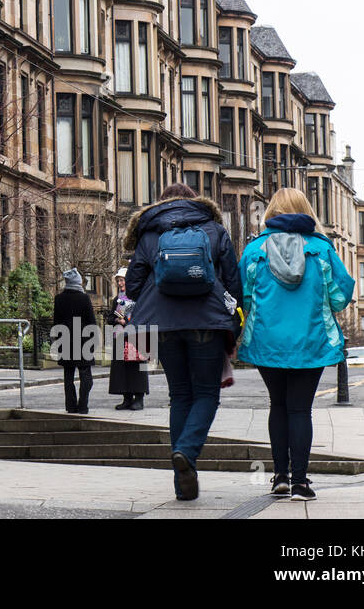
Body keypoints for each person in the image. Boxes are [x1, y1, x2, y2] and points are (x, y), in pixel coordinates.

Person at [124, 182, 242, 501]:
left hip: (163, 326)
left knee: (179, 395)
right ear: (197, 202)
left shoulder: (150, 235)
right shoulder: (215, 230)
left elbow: (132, 286)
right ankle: (187, 453)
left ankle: (182, 481)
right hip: (206, 322)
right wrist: (231, 323)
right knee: (206, 392)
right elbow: (234, 281)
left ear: (161, 204)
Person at [238, 189, 354, 501]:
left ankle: (280, 477)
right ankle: (301, 482)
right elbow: (341, 297)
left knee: (278, 406)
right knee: (301, 409)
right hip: (311, 340)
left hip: (267, 341)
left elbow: (244, 298)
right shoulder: (321, 249)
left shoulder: (254, 250)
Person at [53, 267, 97, 414]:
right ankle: (83, 406)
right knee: (86, 376)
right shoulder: (84, 298)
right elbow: (91, 321)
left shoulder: (58, 299)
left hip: (64, 340)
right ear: (78, 282)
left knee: (68, 376)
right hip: (83, 340)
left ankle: (71, 406)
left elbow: (56, 323)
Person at [108, 267, 149, 410]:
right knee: (122, 369)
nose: (120, 283)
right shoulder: (116, 300)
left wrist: (128, 321)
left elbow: (144, 315)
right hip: (120, 336)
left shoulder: (139, 297)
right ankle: (126, 398)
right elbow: (110, 317)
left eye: (122, 280)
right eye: (118, 280)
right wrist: (117, 320)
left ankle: (139, 398)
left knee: (137, 367)